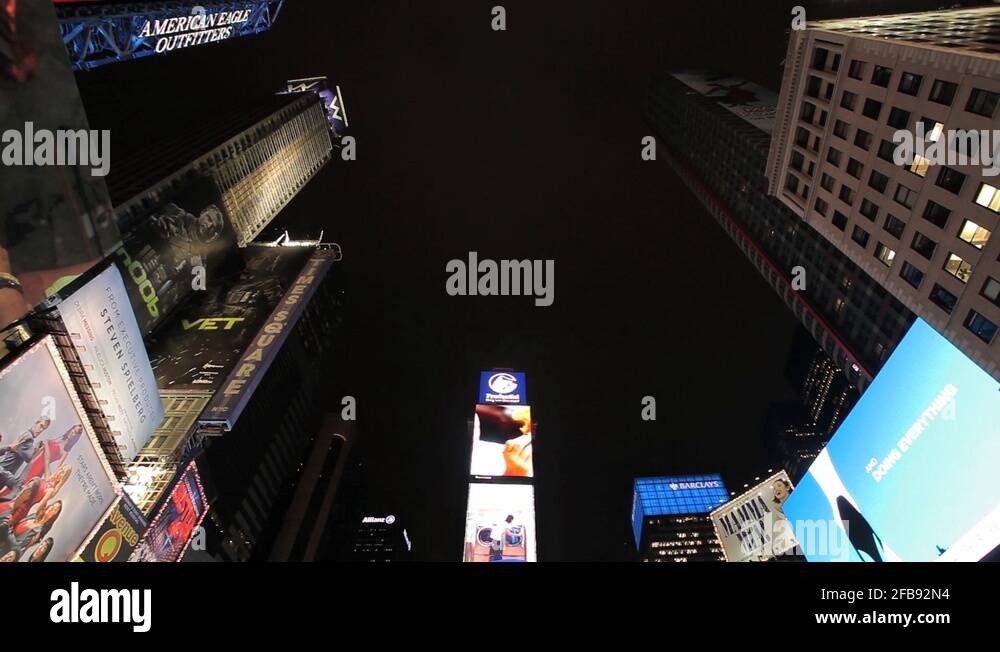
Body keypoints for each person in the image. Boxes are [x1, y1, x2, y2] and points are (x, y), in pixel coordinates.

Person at [0, 416, 50, 495]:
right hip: (3, 472)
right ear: (37, 422)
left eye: (43, 429)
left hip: (4, 473)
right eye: (41, 426)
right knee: (18, 487)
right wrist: (38, 449)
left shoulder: (26, 434)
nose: (40, 430)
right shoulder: (29, 437)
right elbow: (29, 458)